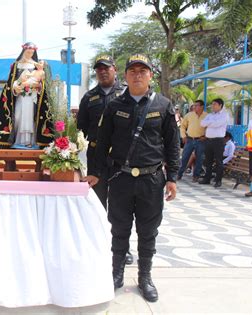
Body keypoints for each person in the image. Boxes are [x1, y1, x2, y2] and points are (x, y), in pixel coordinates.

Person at [85, 54, 180, 302]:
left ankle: (145, 277)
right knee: (119, 228)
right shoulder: (114, 106)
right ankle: (116, 273)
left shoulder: (163, 105)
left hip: (151, 179)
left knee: (148, 231)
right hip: (121, 177)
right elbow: (101, 142)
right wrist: (95, 172)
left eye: (143, 71)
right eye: (133, 71)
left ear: (150, 75)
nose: (137, 75)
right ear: (125, 75)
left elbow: (172, 145)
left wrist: (173, 179)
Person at [77, 55, 133, 265]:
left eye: (106, 68)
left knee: (121, 205)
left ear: (115, 69)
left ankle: (122, 247)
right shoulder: (89, 97)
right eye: (99, 69)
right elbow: (81, 127)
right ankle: (99, 243)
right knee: (98, 203)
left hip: (120, 157)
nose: (103, 72)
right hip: (96, 158)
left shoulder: (127, 94)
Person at [0, 42, 53, 149]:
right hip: (20, 97)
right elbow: (10, 83)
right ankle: (17, 140)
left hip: (31, 97)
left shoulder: (36, 66)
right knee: (18, 116)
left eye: (31, 52)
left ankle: (30, 141)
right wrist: (16, 87)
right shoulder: (16, 65)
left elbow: (42, 84)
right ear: (24, 51)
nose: (29, 54)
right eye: (28, 52)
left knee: (30, 117)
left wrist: (37, 87)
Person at [199, 98, 229, 188]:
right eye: (212, 104)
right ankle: (207, 178)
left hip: (218, 141)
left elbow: (217, 124)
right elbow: (202, 123)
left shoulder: (225, 115)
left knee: (219, 161)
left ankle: (218, 180)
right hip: (208, 140)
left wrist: (209, 123)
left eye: (215, 104)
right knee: (208, 160)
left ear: (220, 105)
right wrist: (211, 123)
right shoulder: (210, 115)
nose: (212, 106)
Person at [177, 100, 207, 182]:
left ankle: (196, 176)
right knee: (184, 158)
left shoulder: (207, 116)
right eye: (194, 105)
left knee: (199, 159)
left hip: (201, 140)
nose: (194, 107)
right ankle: (179, 174)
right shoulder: (189, 115)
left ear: (202, 107)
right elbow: (182, 126)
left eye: (196, 105)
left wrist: (206, 136)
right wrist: (183, 136)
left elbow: (210, 128)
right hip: (189, 139)